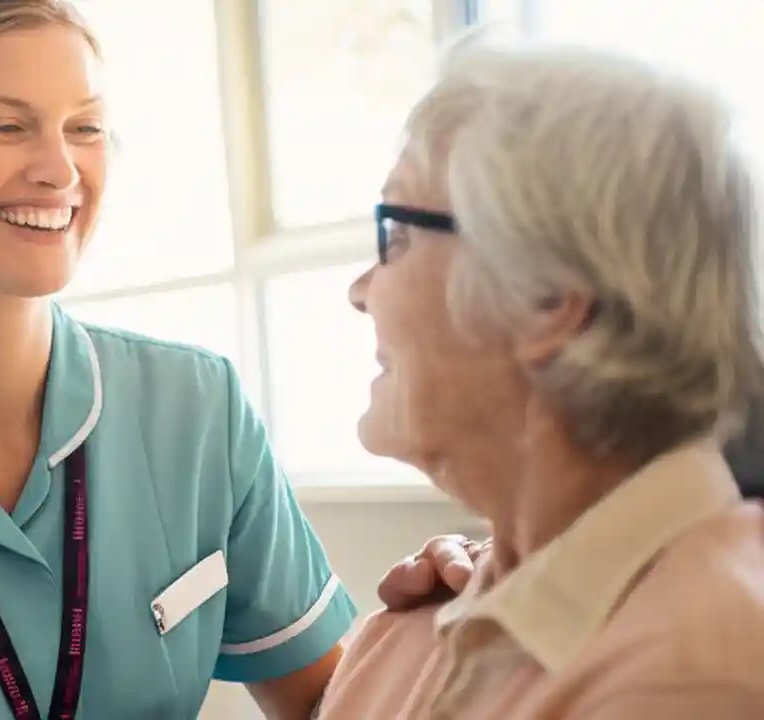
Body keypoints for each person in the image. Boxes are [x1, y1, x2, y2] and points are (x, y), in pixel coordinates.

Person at [0, 1, 474, 718]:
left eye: (85, 128)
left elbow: (324, 705)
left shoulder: (197, 408)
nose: (60, 170)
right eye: (4, 126)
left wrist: (444, 634)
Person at [316, 42, 764, 719]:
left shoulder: (697, 674)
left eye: (398, 234)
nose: (360, 290)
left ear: (550, 299)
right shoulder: (400, 639)